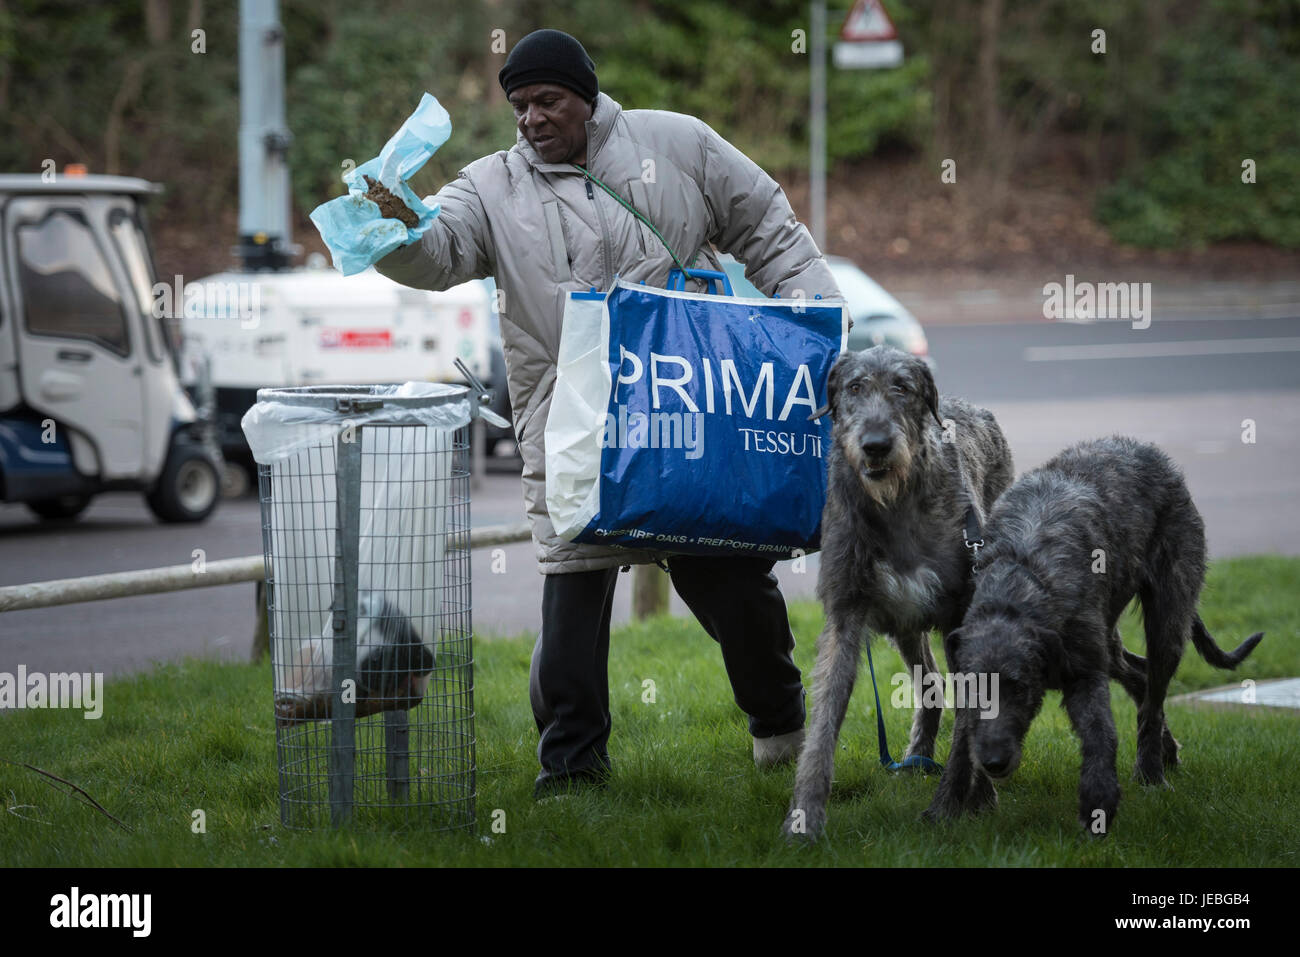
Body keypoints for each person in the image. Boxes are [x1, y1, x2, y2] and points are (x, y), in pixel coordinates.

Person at [369, 28, 842, 798]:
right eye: (519, 105)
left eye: (547, 100)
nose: (531, 118)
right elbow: (440, 250)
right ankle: (572, 769)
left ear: (587, 98)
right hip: (572, 426)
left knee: (730, 582)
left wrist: (821, 328)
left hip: (688, 416)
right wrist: (394, 226)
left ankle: (781, 727)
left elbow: (771, 231)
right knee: (573, 605)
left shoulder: (678, 145)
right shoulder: (490, 187)